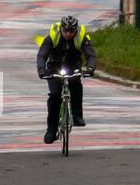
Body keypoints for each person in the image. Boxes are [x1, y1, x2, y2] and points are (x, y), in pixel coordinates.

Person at [34, 15, 97, 144]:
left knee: (76, 85)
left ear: (75, 31)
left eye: (71, 31)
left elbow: (91, 54)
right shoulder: (53, 36)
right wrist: (42, 71)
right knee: (55, 95)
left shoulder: (81, 36)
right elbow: (42, 55)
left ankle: (77, 116)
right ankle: (51, 130)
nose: (68, 34)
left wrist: (90, 68)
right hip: (54, 66)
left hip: (73, 64)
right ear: (61, 29)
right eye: (65, 31)